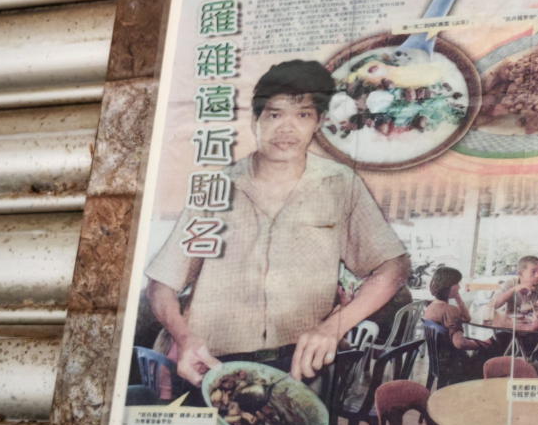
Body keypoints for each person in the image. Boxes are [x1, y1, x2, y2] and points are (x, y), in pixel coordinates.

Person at [145, 60, 411, 387]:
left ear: (319, 122)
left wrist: (335, 326)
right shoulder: (217, 186)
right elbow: (161, 282)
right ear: (255, 119)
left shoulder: (341, 184)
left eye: (302, 115)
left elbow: (393, 266)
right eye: (274, 114)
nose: (286, 129)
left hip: (300, 366)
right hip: (212, 363)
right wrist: (183, 337)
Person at [423, 267, 496, 383]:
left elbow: (467, 318)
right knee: (496, 346)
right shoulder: (449, 310)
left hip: (440, 363)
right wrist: (484, 344)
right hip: (456, 366)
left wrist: (457, 296)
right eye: (457, 283)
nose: (460, 286)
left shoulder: (431, 307)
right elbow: (459, 343)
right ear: (448, 286)